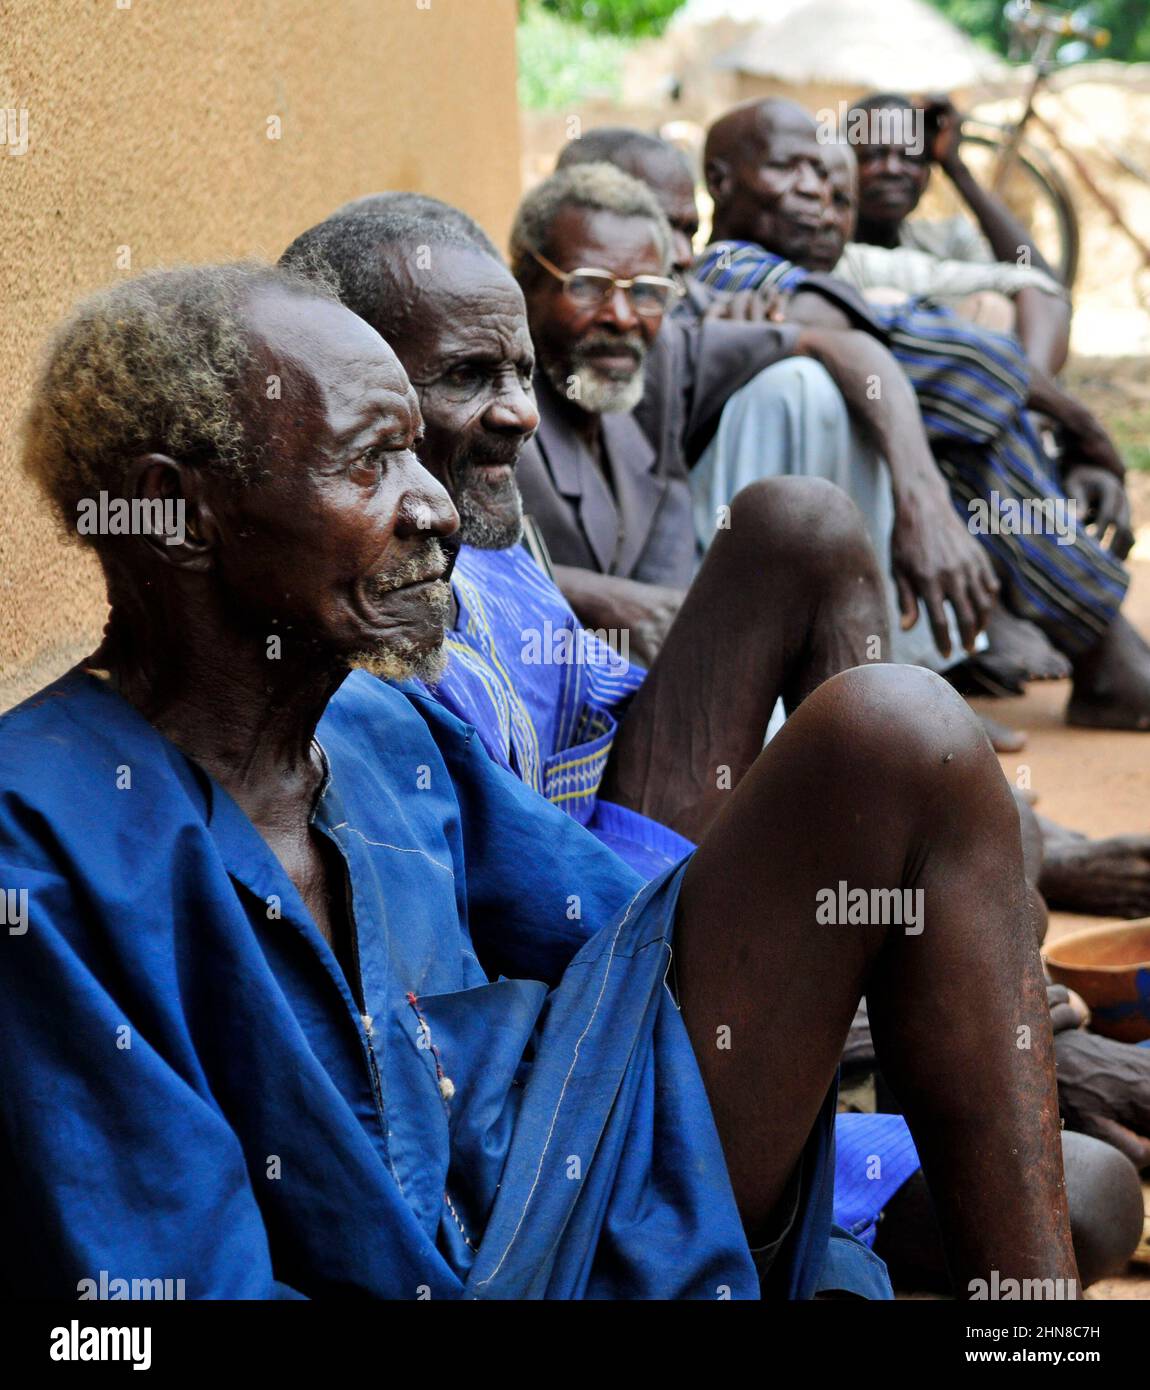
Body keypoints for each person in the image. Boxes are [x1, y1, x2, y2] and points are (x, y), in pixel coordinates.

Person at [2, 261, 1079, 1300]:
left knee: (896, 732)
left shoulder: (381, 728)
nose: (435, 509)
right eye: (370, 464)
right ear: (174, 511)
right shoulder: (40, 844)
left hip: (559, 1193)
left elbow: (630, 946)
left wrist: (918, 958)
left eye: (419, 457)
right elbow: (163, 1263)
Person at [282, 201, 1146, 1283]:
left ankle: (942, 1011)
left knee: (802, 529)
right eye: (467, 379)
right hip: (574, 1080)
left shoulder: (480, 528)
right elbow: (458, 1030)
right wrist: (839, 991)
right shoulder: (343, 678)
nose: (519, 416)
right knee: (900, 731)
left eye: (517, 377)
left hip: (611, 921)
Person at [696, 98, 1150, 734]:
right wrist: (1083, 428)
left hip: (792, 554)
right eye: (788, 169)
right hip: (719, 566)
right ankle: (1097, 648)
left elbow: (1017, 295)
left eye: (831, 184)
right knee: (901, 380)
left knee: (943, 404)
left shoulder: (827, 269)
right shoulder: (723, 269)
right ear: (721, 181)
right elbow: (911, 344)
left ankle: (1050, 656)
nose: (817, 195)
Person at [510, 161, 998, 670]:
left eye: (647, 292)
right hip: (571, 699)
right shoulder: (495, 399)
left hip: (679, 669)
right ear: (523, 279)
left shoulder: (661, 353)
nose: (622, 315)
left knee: (812, 395)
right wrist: (616, 603)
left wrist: (924, 496)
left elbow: (843, 345)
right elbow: (459, 562)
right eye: (588, 286)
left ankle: (901, 682)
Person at [848, 91, 1072, 375]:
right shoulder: (821, 249)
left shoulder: (948, 239)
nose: (893, 169)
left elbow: (1045, 291)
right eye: (874, 155)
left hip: (958, 403)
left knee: (996, 308)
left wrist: (956, 168)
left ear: (928, 173)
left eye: (912, 157)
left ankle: (1027, 398)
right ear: (843, 163)